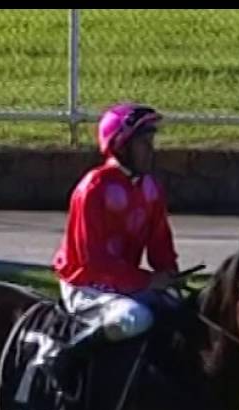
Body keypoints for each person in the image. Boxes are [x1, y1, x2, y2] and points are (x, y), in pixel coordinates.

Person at [49, 102, 182, 391]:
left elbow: (161, 245)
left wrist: (170, 275)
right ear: (121, 145)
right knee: (135, 318)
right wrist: (147, 280)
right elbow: (92, 261)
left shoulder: (151, 188)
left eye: (151, 141)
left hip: (125, 284)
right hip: (85, 284)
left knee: (181, 313)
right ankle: (67, 356)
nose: (151, 149)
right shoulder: (94, 188)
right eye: (144, 142)